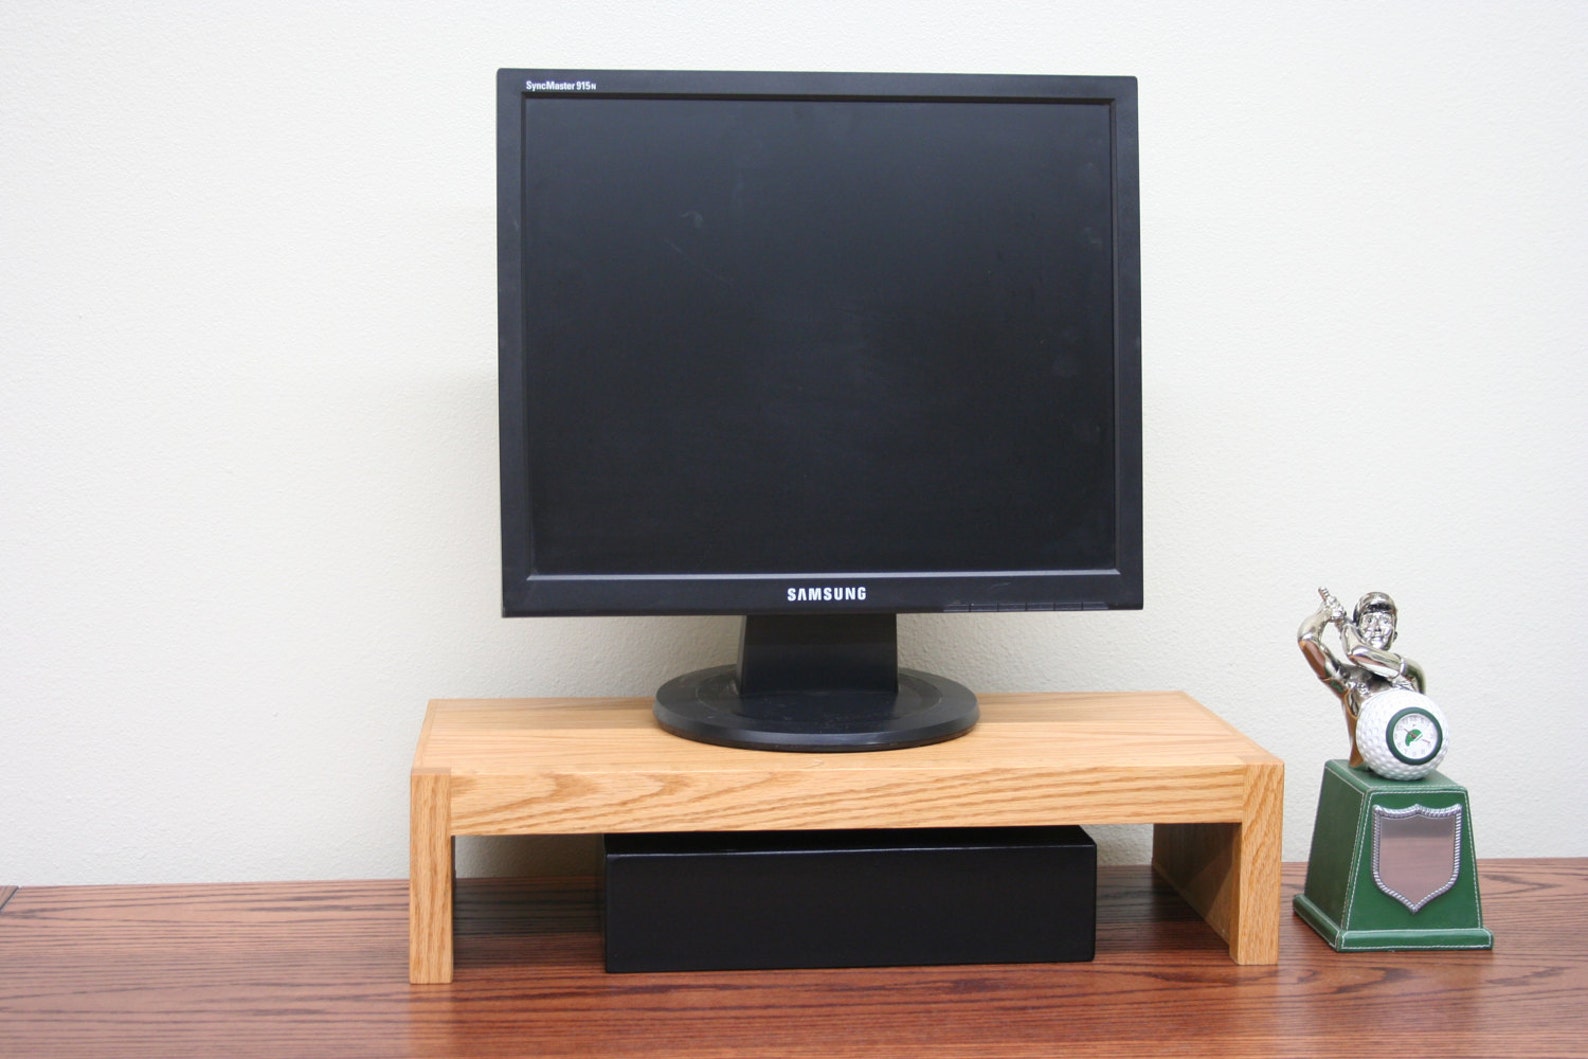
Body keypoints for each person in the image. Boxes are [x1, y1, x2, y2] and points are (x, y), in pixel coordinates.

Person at [1298, 588, 1426, 767]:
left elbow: (1357, 652)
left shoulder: (1410, 673)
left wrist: (1344, 624)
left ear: (1395, 634)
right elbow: (1307, 640)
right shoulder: (1349, 680)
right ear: (1358, 630)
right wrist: (1324, 613)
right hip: (1362, 771)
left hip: (1408, 770)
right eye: (1369, 620)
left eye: (1385, 620)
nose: (1377, 627)